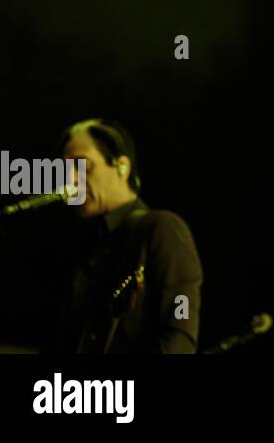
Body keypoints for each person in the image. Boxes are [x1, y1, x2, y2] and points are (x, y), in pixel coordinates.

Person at [51, 119, 203, 353]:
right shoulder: (85, 244)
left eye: (83, 165)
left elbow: (178, 331)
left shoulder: (161, 228)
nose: (70, 180)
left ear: (122, 166)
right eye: (65, 171)